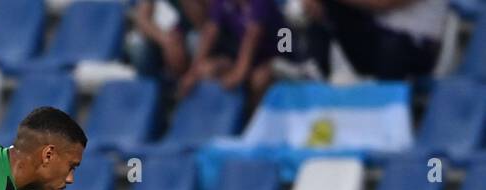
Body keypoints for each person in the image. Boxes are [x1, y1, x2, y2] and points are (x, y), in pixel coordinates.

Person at [178, 0, 288, 106]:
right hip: (245, 56)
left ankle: (252, 116)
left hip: (276, 57)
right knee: (206, 69)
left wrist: (238, 73)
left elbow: (253, 35)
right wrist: (192, 72)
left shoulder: (261, 2)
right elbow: (211, 32)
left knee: (258, 80)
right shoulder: (222, 2)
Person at [303, 0, 447, 80]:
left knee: (392, 47)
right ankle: (311, 70)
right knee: (324, 4)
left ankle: (389, 117)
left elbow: (385, 3)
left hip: (416, 48)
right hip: (381, 39)